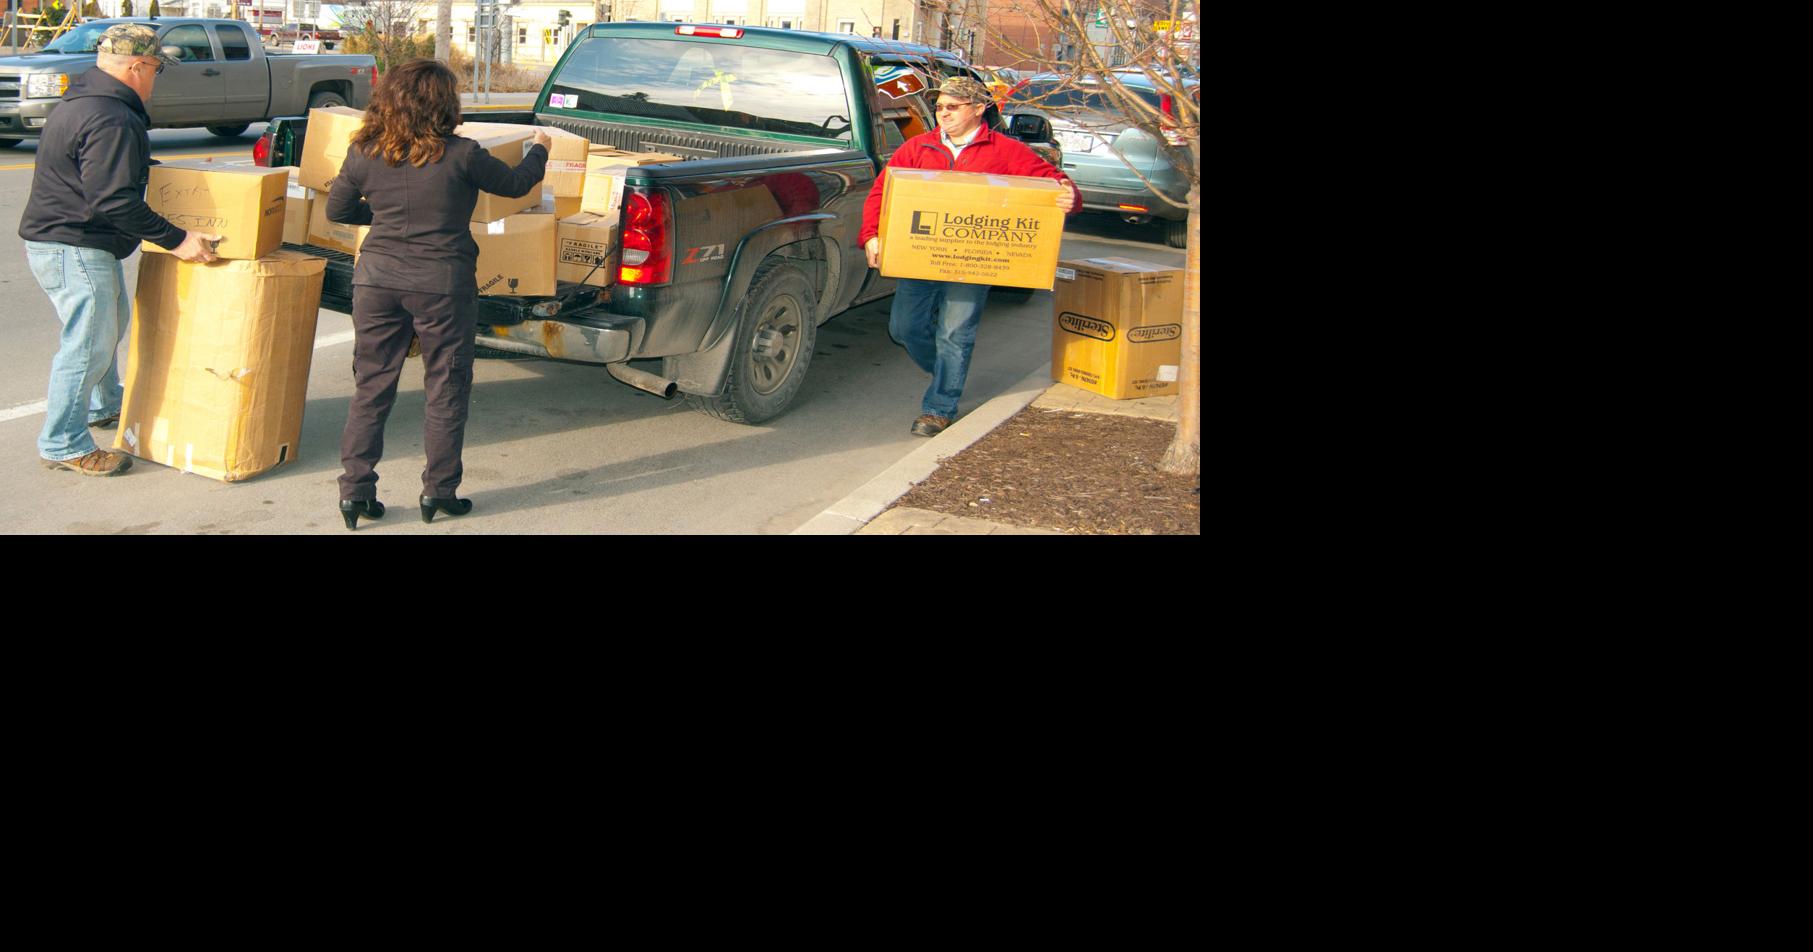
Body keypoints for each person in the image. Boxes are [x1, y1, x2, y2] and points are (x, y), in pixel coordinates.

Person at [325, 58, 549, 530]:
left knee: (372, 386)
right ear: (444, 104)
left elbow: (339, 208)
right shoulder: (463, 154)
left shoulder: (364, 150)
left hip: (377, 281)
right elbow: (517, 185)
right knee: (446, 387)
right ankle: (439, 492)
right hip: (442, 285)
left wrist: (386, 224)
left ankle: (356, 493)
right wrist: (539, 149)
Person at [20, 23, 220, 478]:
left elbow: (101, 170)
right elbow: (112, 200)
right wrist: (179, 239)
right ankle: (63, 443)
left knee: (105, 329)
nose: (155, 80)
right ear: (138, 66)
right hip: (75, 243)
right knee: (88, 344)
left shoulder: (82, 101)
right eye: (155, 70)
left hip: (65, 240)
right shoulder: (111, 116)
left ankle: (103, 404)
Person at [860, 76, 1080, 437]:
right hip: (921, 255)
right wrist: (871, 235)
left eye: (952, 107)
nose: (942, 113)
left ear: (978, 109)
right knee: (904, 328)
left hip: (973, 262)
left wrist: (1069, 196)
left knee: (955, 333)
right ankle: (948, 371)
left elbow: (1055, 184)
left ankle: (939, 406)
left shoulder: (1006, 151)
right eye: (939, 106)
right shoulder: (918, 147)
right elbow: (882, 193)